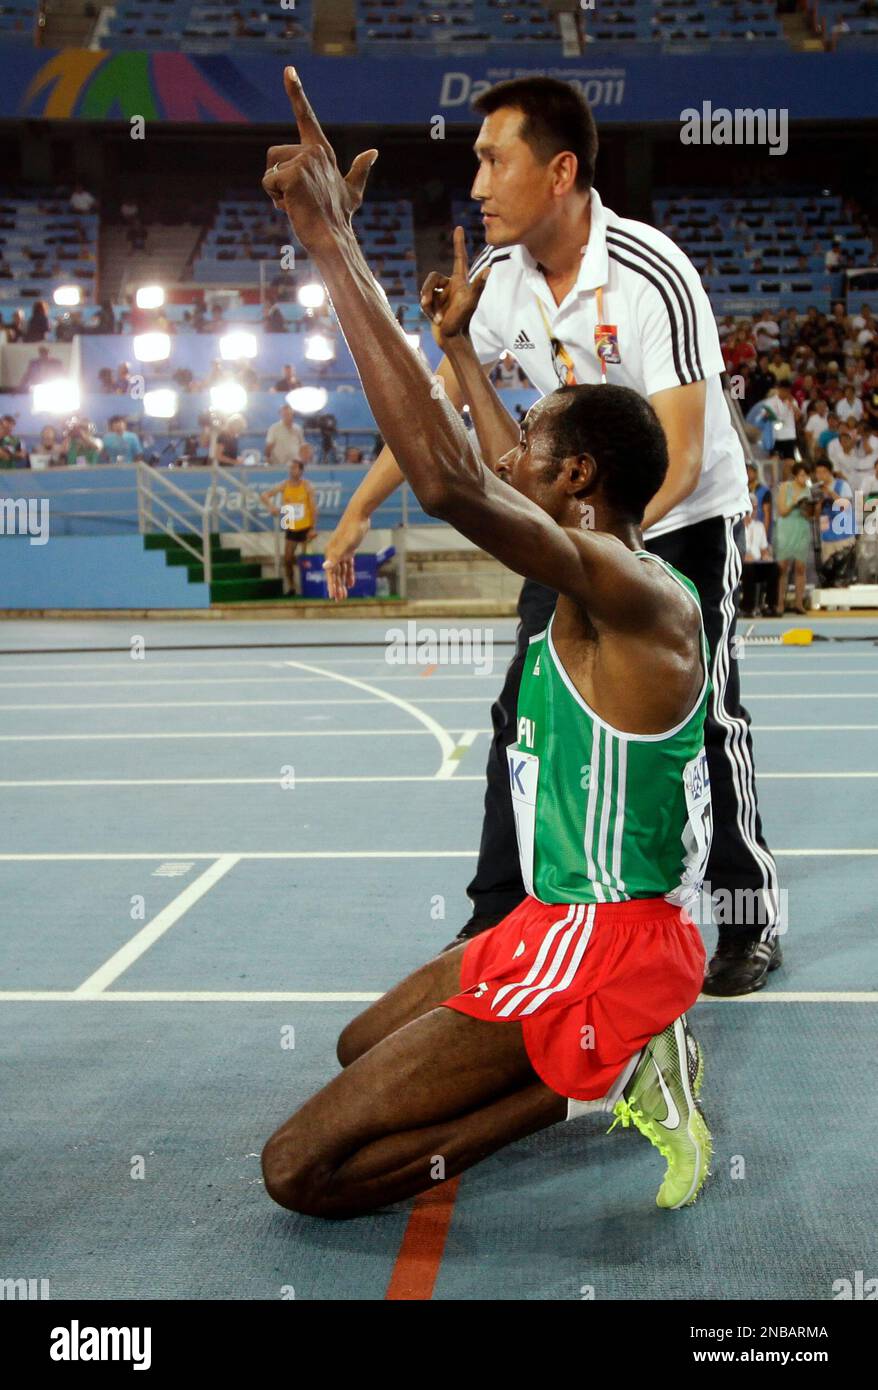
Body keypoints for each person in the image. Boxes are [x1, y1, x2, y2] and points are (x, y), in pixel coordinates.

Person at [258, 72, 712, 1218]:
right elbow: (488, 458)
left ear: (576, 482)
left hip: (606, 943)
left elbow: (456, 478)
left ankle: (595, 1077)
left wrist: (329, 244)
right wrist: (455, 349)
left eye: (531, 447)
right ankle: (590, 1061)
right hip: (541, 923)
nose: (506, 450)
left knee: (300, 1173)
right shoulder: (582, 560)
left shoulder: (634, 590)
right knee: (360, 1047)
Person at [322, 74, 780, 996]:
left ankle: (743, 914)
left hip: (682, 522)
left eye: (496, 160)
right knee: (518, 712)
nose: (479, 184)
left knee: (711, 713)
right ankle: (496, 913)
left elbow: (683, 454)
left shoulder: (653, 273)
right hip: (572, 525)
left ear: (561, 170)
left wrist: (604, 563)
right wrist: (361, 505)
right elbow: (439, 402)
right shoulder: (496, 284)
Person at [261, 458, 319, 594]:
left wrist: (313, 528)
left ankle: (308, 587)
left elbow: (314, 508)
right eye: (290, 468)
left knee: (306, 560)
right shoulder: (284, 485)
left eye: (294, 468)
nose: (292, 471)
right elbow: (264, 495)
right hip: (290, 526)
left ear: (301, 470)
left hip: (305, 527)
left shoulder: (307, 486)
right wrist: (272, 507)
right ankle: (292, 586)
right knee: (287, 559)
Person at [774, 462, 813, 615]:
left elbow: (809, 515)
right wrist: (795, 502)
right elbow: (782, 510)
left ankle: (798, 603)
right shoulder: (785, 487)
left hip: (801, 528)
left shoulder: (808, 491)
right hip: (786, 528)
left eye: (806, 475)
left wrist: (807, 507)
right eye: (802, 474)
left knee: (800, 567)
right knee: (782, 567)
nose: (804, 478)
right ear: (796, 475)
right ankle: (779, 604)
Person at [740, 495, 777, 617]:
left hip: (756, 563)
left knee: (774, 568)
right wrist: (743, 556)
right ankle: (747, 607)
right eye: (752, 508)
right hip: (740, 564)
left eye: (756, 508)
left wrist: (766, 556)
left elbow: (764, 549)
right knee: (748, 569)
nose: (754, 511)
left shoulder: (759, 526)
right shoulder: (737, 527)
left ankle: (770, 606)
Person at [265, 403, 304, 467]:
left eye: (289, 414)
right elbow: (269, 446)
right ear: (281, 415)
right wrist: (268, 460)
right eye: (285, 414)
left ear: (292, 414)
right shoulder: (274, 428)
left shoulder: (298, 429)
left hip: (295, 465)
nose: (288, 416)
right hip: (278, 465)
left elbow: (301, 445)